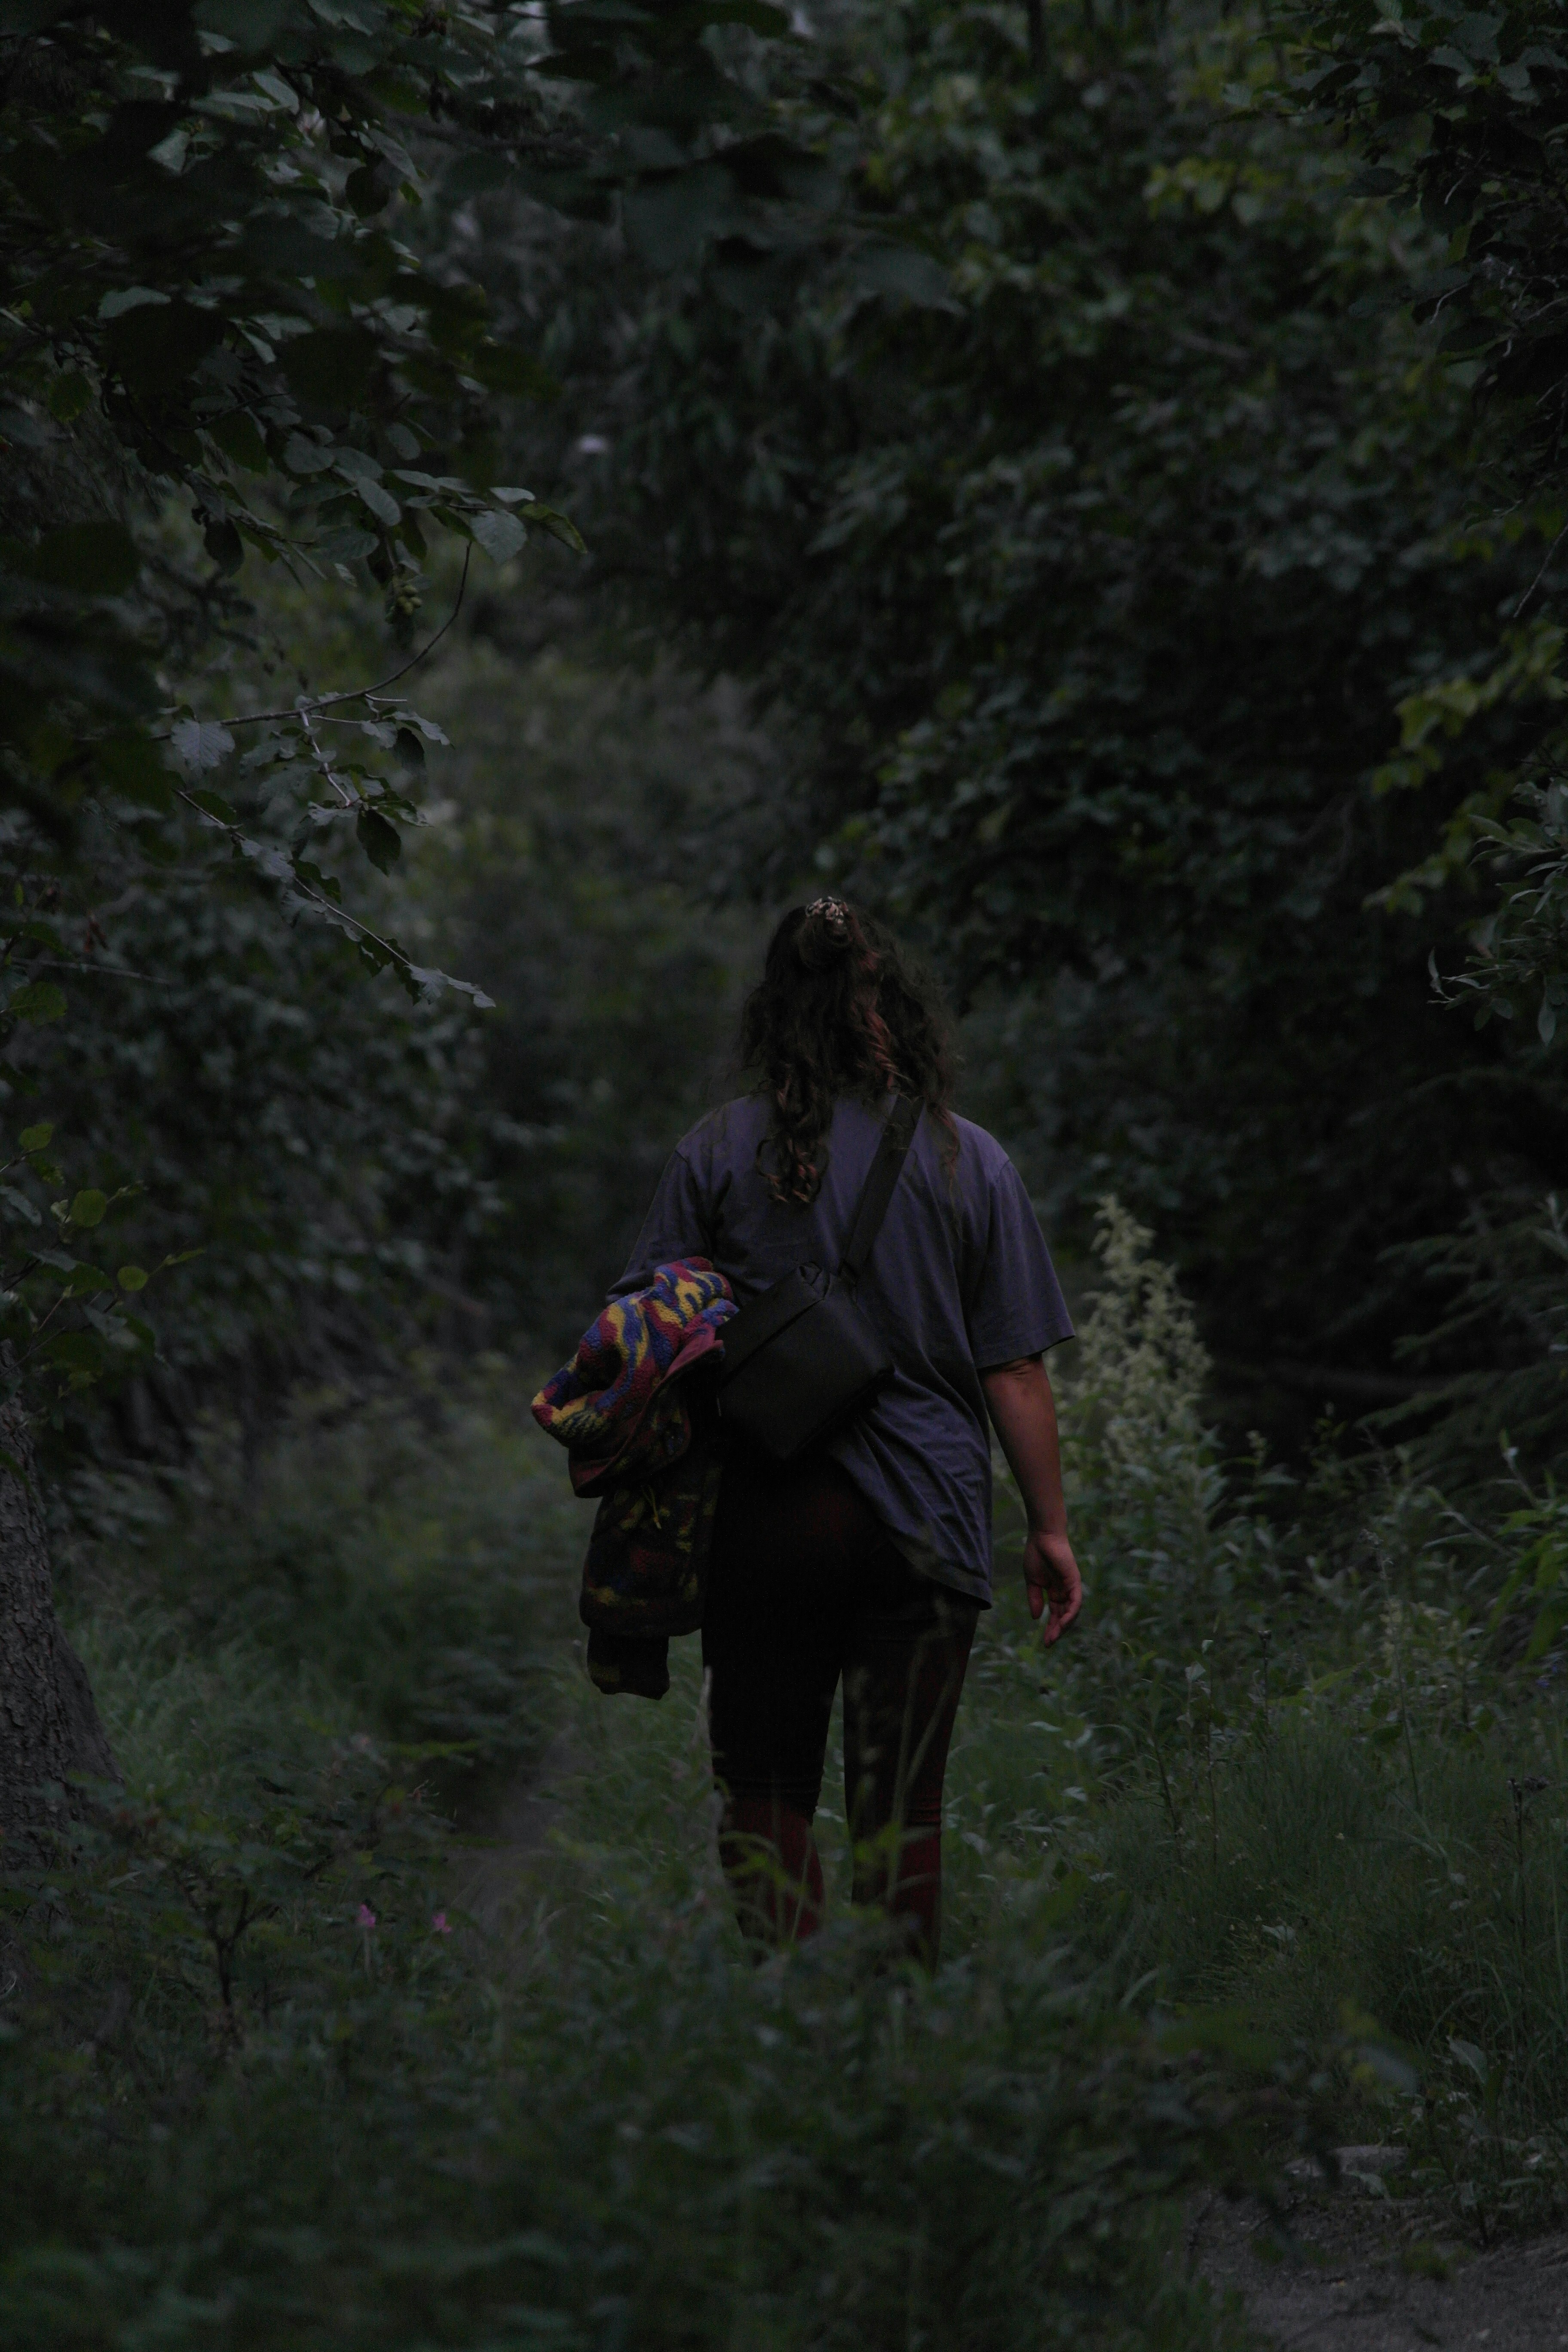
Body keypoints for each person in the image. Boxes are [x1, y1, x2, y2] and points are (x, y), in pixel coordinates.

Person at [613, 896, 1082, 1962]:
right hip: (924, 1523)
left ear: (773, 1010)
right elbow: (1012, 1368)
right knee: (903, 1804)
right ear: (891, 1000)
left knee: (766, 1784)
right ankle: (891, 2048)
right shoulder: (971, 1161)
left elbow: (647, 1334)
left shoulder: (716, 1153)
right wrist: (1049, 1529)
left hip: (764, 1517)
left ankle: (795, 2031)